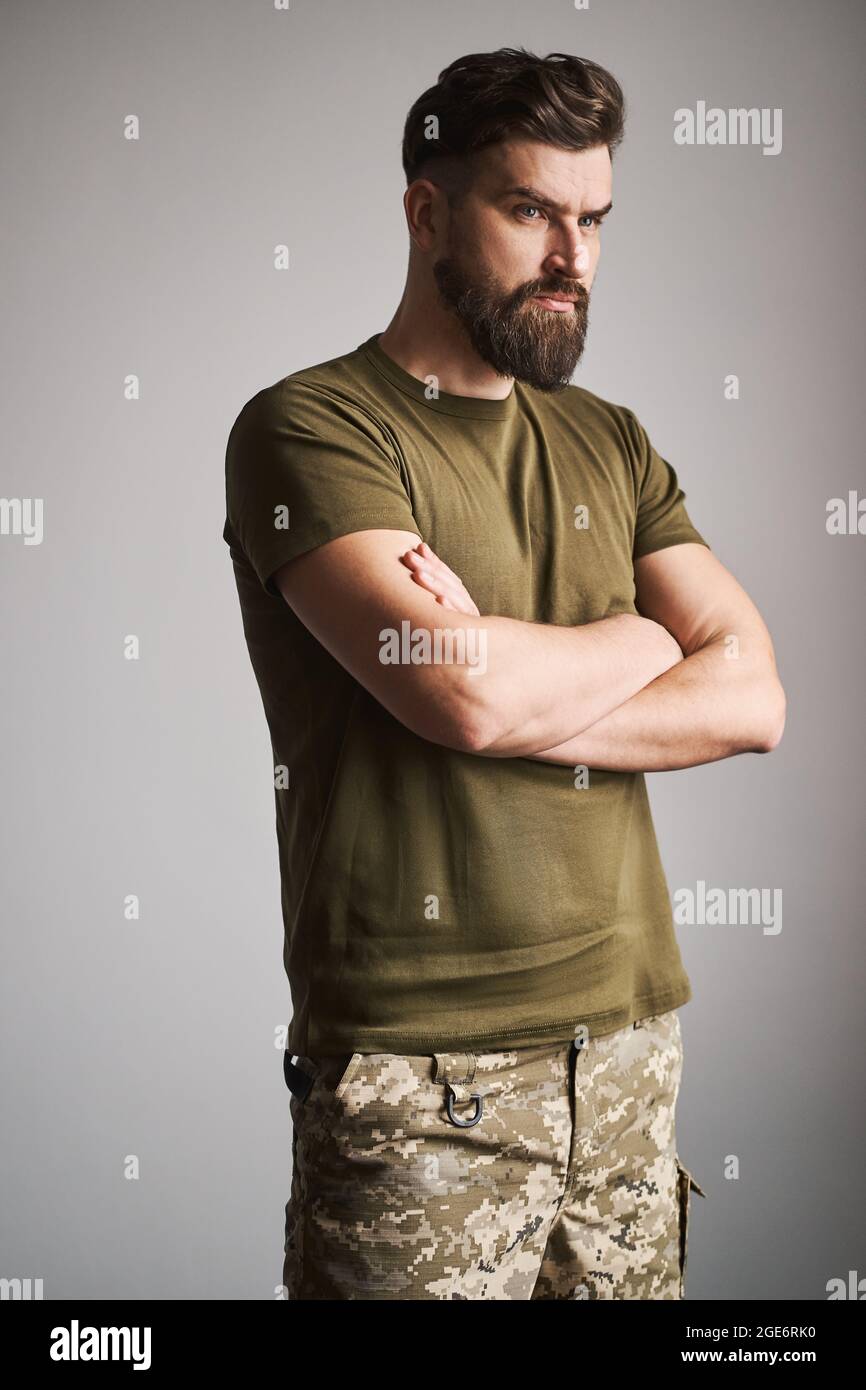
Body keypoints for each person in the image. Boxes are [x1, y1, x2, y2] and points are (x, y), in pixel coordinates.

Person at [222, 47, 785, 1300]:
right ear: (428, 211)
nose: (570, 257)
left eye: (590, 219)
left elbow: (751, 696)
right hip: (421, 1081)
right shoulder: (312, 427)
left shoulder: (610, 439)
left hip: (629, 1048)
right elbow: (458, 689)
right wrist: (645, 638)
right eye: (529, 210)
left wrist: (520, 672)